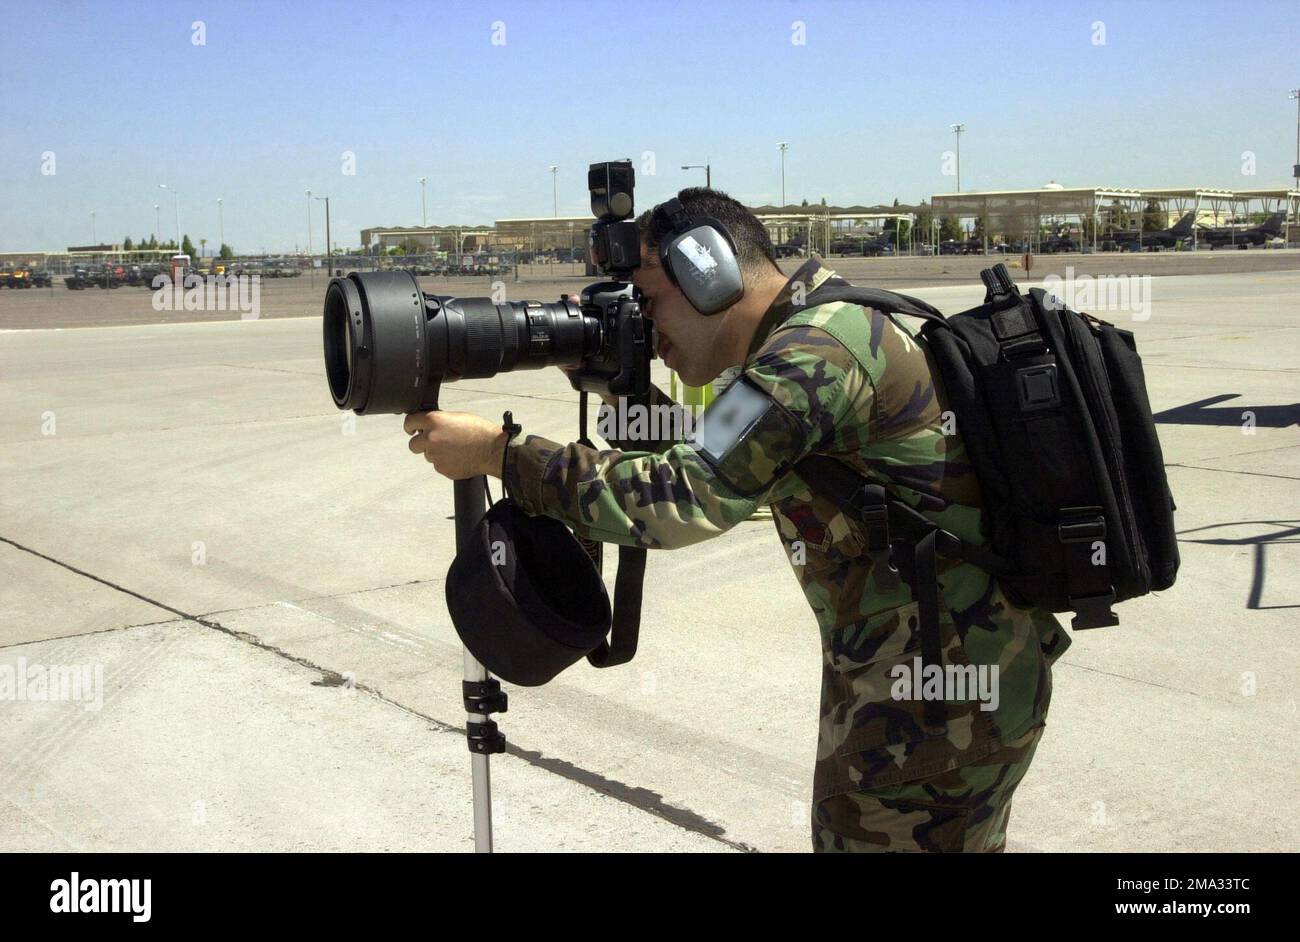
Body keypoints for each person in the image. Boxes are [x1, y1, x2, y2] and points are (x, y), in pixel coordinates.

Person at [404, 188, 1070, 852]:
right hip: (945, 684)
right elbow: (724, 454)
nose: (642, 322)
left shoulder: (813, 352)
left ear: (709, 271)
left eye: (649, 297)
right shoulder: (820, 327)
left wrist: (500, 454)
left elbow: (685, 495)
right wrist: (614, 384)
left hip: (931, 712)